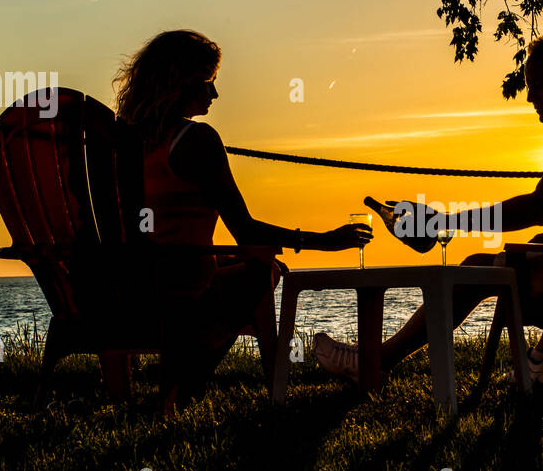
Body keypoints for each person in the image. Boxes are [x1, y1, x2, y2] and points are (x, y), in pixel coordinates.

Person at [313, 36, 543, 416]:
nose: (529, 98)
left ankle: (375, 363)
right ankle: (541, 357)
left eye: (537, 84)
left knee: (476, 268)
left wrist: (446, 222)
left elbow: (535, 208)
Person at [114, 29, 371, 407]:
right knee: (259, 267)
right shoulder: (196, 141)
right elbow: (246, 231)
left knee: (249, 263)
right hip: (179, 295)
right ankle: (181, 392)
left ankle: (181, 390)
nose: (214, 94)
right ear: (177, 82)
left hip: (122, 291)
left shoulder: (123, 142)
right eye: (208, 82)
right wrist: (324, 240)